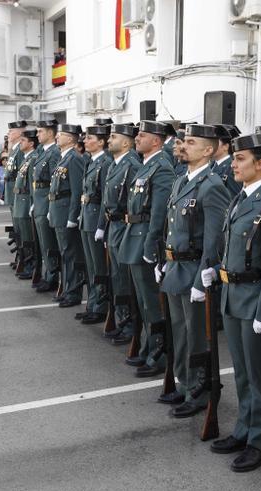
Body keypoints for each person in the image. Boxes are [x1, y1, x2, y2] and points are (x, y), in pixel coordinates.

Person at [201, 131, 261, 473]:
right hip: (234, 297)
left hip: (257, 303)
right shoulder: (241, 197)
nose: (234, 164)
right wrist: (216, 271)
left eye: (241, 159)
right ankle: (244, 428)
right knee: (242, 373)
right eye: (235, 158)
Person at [157, 124, 231, 416]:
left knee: (196, 334)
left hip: (195, 271)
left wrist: (204, 279)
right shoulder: (181, 181)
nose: (183, 146)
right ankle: (185, 383)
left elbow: (215, 239)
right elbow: (172, 226)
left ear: (208, 150)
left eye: (190, 142)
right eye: (183, 141)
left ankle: (200, 391)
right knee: (180, 331)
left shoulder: (212, 185)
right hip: (176, 267)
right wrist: (164, 259)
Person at [118, 120, 176, 377]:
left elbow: (159, 212)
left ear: (156, 141)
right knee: (142, 299)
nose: (137, 139)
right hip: (134, 236)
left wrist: (152, 244)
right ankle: (148, 347)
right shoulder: (146, 165)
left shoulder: (161, 168)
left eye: (142, 135)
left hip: (145, 239)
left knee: (152, 301)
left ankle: (158, 352)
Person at [101, 123, 142, 346]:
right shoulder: (115, 165)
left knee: (125, 278)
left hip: (125, 228)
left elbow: (133, 202)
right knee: (117, 277)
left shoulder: (131, 165)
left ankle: (129, 325)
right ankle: (121, 320)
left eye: (114, 137)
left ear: (126, 142)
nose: (109, 140)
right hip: (113, 227)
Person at [77, 124, 113, 324]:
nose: (85, 141)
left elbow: (105, 198)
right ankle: (92, 303)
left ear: (101, 141)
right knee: (91, 266)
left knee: (99, 267)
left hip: (94, 218)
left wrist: (101, 224)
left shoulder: (106, 163)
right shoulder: (92, 161)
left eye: (90, 138)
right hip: (86, 216)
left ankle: (100, 306)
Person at [48, 124, 87, 308]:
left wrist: (73, 216)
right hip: (58, 210)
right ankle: (66, 289)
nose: (57, 137)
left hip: (66, 212)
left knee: (71, 253)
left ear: (71, 139)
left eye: (61, 134)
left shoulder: (74, 158)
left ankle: (73, 292)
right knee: (65, 253)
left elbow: (77, 190)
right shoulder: (64, 157)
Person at [31, 119, 62, 293]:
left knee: (49, 243)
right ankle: (48, 273)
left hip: (46, 201)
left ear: (50, 133)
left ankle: (52, 276)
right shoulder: (42, 152)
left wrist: (51, 206)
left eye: (40, 131)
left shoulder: (54, 153)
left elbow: (54, 182)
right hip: (39, 199)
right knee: (43, 242)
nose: (37, 134)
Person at [12, 129, 40, 280]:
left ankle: (31, 266)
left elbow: (32, 184)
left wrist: (32, 203)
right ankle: (27, 263)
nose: (20, 142)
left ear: (31, 143)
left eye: (23, 141)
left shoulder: (33, 158)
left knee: (29, 237)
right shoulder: (26, 158)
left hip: (25, 201)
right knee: (23, 236)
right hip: (19, 200)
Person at [211, 124, 243, 197]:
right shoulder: (211, 166)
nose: (210, 146)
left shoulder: (232, 169)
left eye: (214, 142)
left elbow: (233, 199)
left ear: (225, 146)